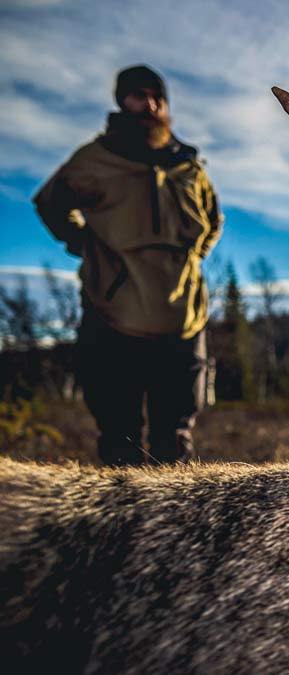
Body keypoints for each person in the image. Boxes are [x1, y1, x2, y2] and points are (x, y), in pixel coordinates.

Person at [33, 65, 222, 466]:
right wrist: (83, 244)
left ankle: (174, 528)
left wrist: (192, 258)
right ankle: (120, 529)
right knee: (121, 444)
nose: (149, 104)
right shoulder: (95, 159)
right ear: (122, 102)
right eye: (138, 95)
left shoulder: (188, 165)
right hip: (114, 318)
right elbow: (50, 202)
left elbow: (213, 218)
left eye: (157, 96)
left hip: (181, 320)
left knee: (175, 444)